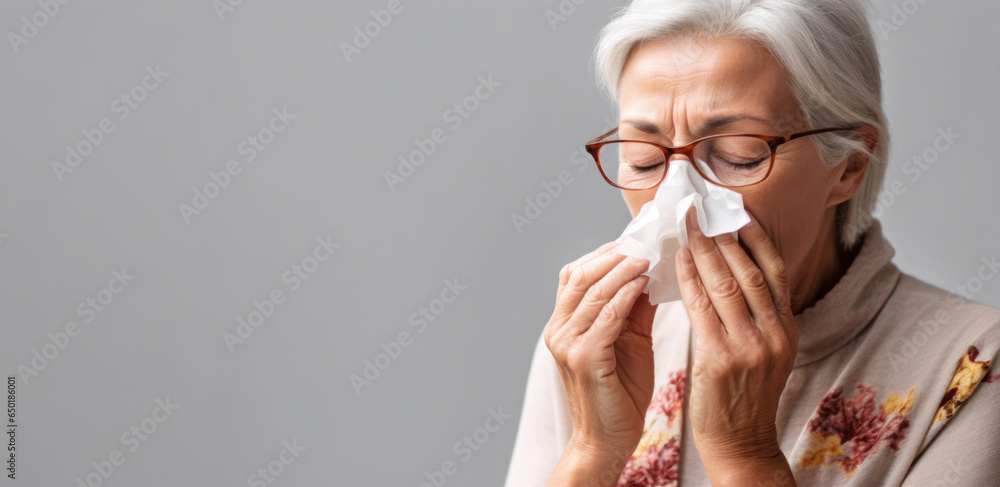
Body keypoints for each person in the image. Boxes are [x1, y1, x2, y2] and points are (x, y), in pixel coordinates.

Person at [504, 1, 1000, 485]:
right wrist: (593, 451)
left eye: (738, 155)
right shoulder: (596, 338)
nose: (680, 205)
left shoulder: (975, 366)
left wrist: (744, 455)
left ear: (848, 166)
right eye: (643, 159)